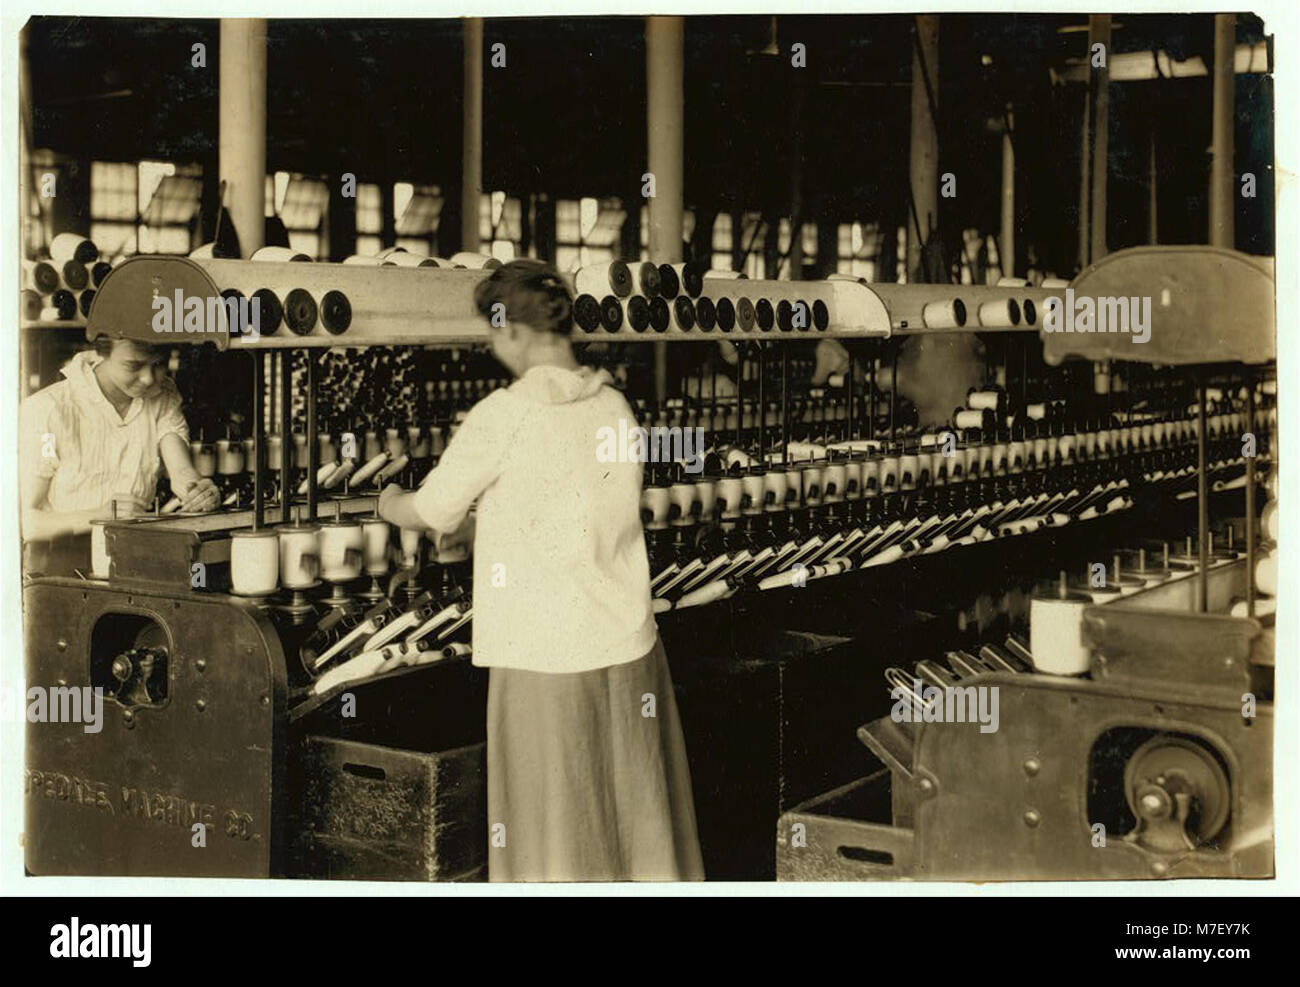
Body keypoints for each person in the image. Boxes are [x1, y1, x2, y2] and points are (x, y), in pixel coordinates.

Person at [378, 259, 704, 882]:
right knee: (630, 820)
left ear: (513, 333)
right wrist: (489, 524)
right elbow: (577, 505)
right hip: (628, 649)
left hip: (546, 658)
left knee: (554, 827)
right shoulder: (613, 407)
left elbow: (434, 508)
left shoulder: (506, 413)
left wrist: (388, 502)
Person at [19, 334, 220, 573]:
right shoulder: (49, 410)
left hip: (132, 554)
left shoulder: (162, 397)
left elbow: (182, 471)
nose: (147, 379)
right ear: (102, 353)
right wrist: (101, 515)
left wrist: (198, 492)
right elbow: (24, 521)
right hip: (60, 562)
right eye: (133, 365)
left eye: (159, 363)